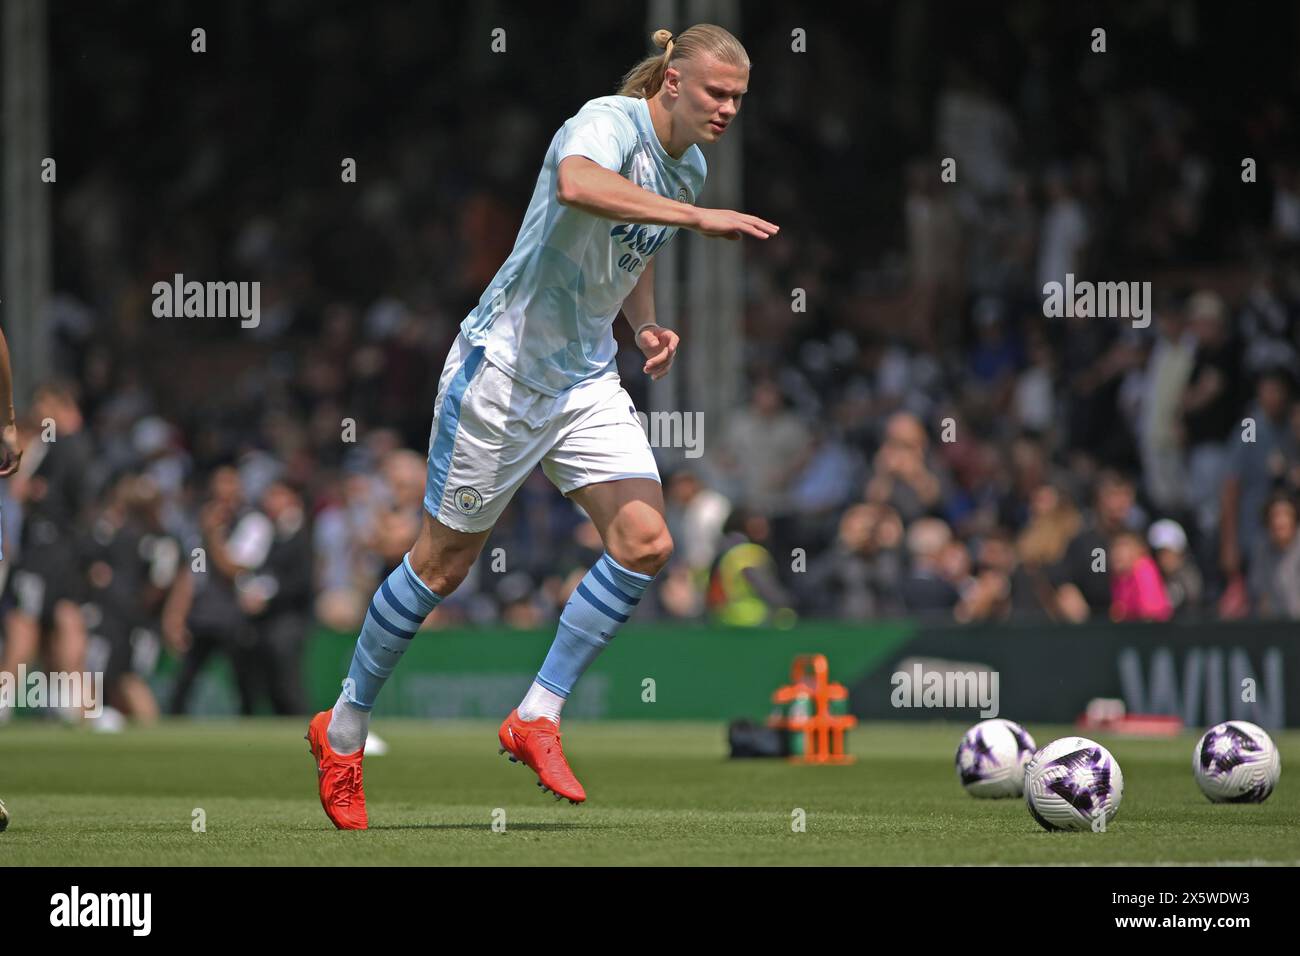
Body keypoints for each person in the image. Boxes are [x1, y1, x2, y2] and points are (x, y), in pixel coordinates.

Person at [307, 24, 778, 829]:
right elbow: (577, 186)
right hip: (504, 370)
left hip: (585, 379)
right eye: (715, 92)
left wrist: (645, 326)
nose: (728, 108)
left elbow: (635, 246)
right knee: (442, 567)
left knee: (646, 542)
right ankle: (343, 727)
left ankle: (538, 714)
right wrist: (699, 222)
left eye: (739, 96)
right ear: (672, 81)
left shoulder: (687, 168)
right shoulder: (606, 121)